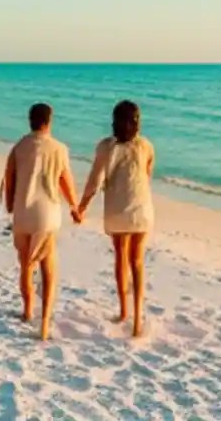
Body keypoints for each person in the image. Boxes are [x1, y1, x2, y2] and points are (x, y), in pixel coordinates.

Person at [2, 103, 80, 341]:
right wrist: (75, 207)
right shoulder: (59, 148)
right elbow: (65, 181)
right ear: (49, 121)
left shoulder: (19, 146)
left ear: (30, 121)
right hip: (47, 215)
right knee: (48, 268)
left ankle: (27, 311)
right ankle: (44, 322)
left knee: (26, 264)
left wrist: (9, 205)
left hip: (23, 213)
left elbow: (9, 177)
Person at [77, 100, 155, 337]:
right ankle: (137, 321)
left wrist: (82, 207)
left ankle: (123, 312)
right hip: (141, 208)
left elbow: (94, 180)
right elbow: (147, 175)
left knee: (121, 257)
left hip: (117, 209)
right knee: (138, 262)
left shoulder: (105, 147)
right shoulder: (146, 146)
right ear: (136, 122)